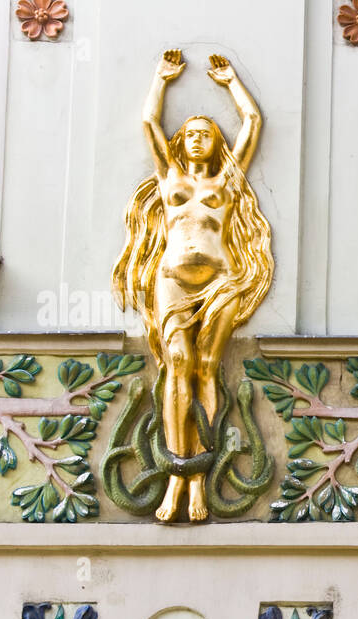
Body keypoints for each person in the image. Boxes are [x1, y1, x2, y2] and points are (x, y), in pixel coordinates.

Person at [112, 50, 273, 522]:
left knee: (206, 367)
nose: (199, 138)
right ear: (181, 142)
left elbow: (253, 121)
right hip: (172, 280)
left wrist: (231, 81)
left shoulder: (228, 180)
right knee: (177, 365)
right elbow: (149, 122)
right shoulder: (169, 177)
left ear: (216, 142)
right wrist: (161, 79)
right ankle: (175, 477)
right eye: (192, 133)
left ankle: (198, 479)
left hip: (221, 280)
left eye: (207, 133)